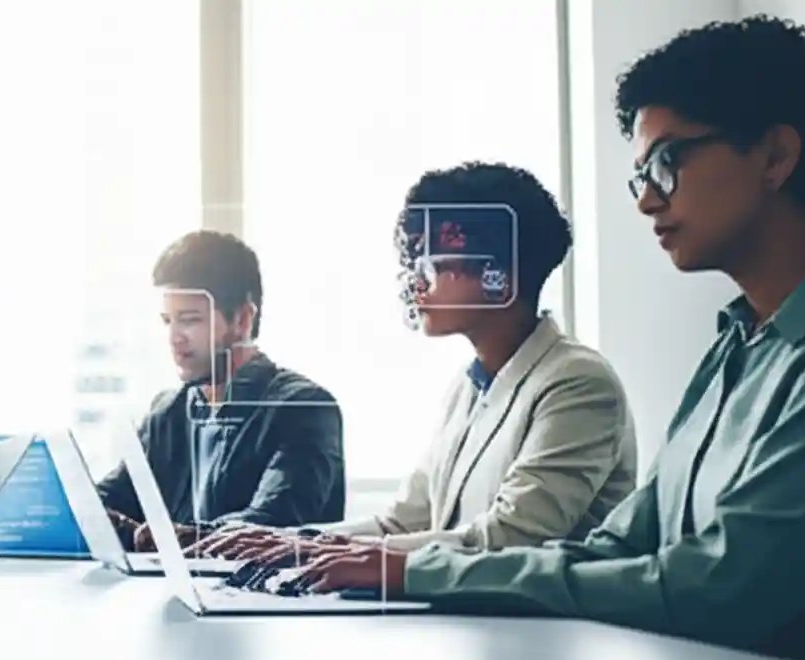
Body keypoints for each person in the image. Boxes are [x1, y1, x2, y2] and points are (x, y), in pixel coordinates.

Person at [288, 15, 805, 660]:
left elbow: (721, 584)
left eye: (667, 163)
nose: (646, 201)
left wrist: (418, 575)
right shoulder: (739, 341)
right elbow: (622, 545)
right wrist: (378, 564)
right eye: (639, 174)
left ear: (776, 157)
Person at [190, 163, 637, 563]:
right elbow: (401, 524)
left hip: (548, 640)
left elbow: (509, 539)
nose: (416, 277)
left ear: (497, 268)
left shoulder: (577, 383)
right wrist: (289, 543)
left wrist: (312, 550)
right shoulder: (467, 389)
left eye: (431, 257)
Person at [96, 230, 345, 551]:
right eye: (167, 321)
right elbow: (103, 500)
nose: (174, 337)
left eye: (189, 320)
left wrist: (175, 538)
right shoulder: (167, 412)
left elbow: (273, 522)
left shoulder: (304, 408)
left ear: (242, 319)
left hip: (263, 598)